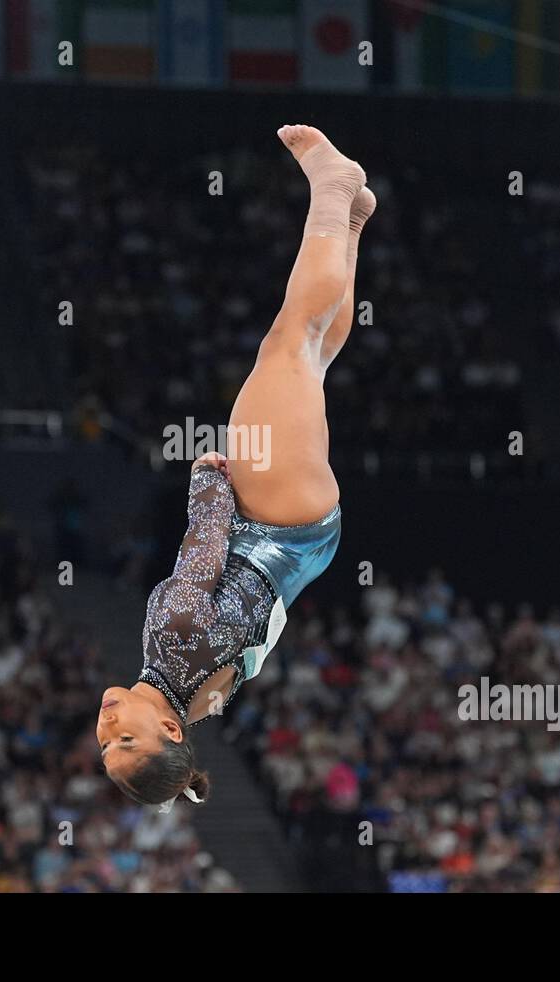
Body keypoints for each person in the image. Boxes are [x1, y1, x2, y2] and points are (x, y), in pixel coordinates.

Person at [97, 125, 376, 809]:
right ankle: (332, 189)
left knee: (308, 356)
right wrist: (209, 481)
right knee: (286, 343)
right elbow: (201, 554)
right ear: (166, 728)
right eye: (127, 741)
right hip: (271, 520)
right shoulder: (171, 645)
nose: (106, 731)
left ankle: (351, 219)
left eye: (106, 747)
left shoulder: (196, 699)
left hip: (304, 540)